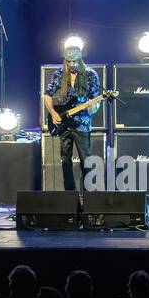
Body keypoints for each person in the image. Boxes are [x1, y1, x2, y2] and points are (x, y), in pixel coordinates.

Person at [43, 39, 104, 194]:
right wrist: (52, 112)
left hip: (82, 123)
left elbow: (96, 100)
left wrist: (93, 107)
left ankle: (88, 194)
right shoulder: (58, 74)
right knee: (65, 160)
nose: (71, 64)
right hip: (63, 123)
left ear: (80, 59)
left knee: (86, 160)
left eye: (74, 61)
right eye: (68, 61)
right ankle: (69, 193)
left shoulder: (90, 75)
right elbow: (47, 95)